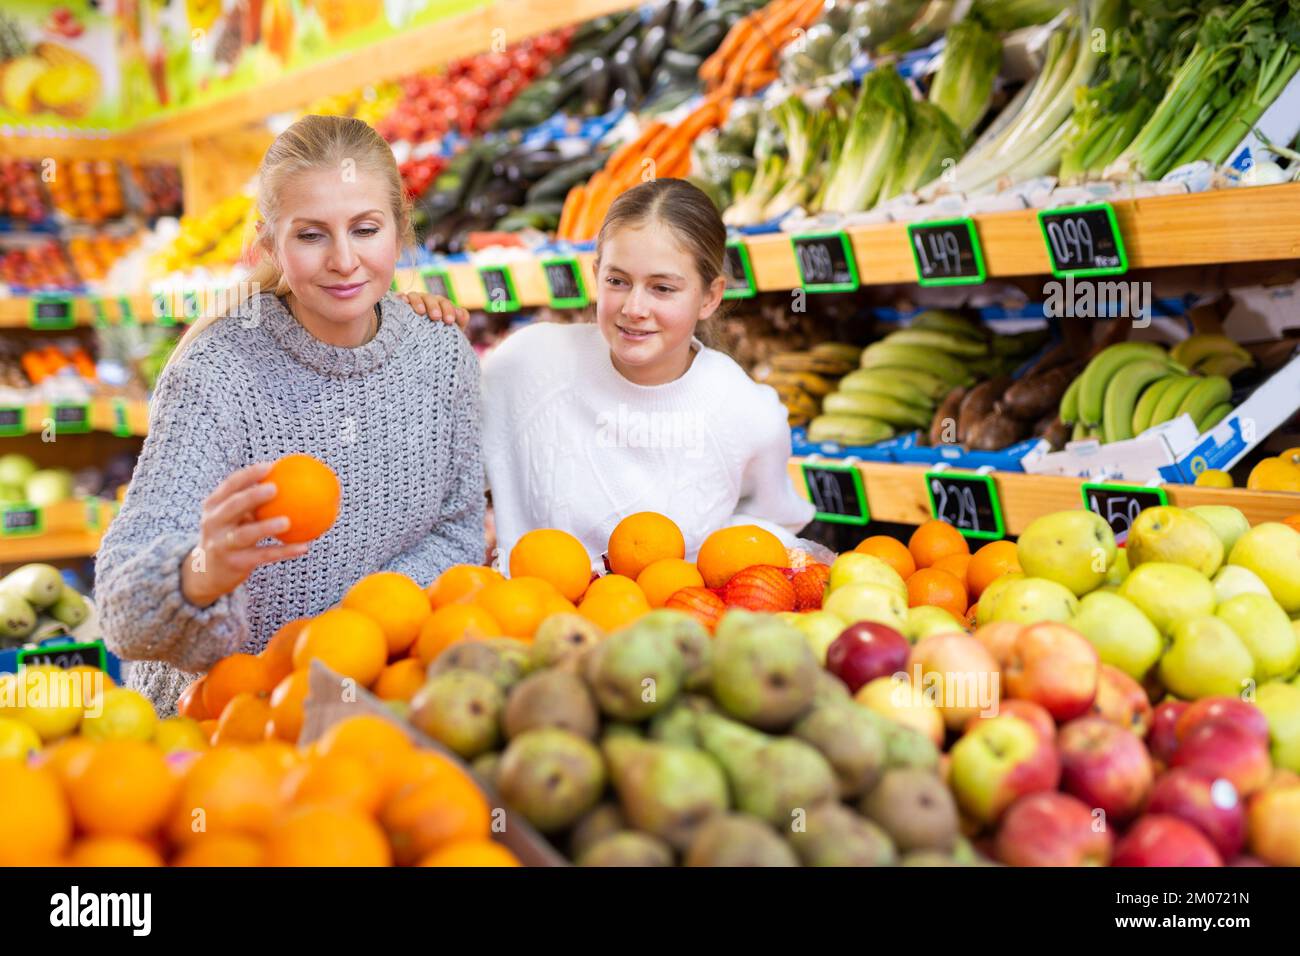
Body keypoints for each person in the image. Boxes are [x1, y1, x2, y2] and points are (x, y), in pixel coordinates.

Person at [96, 115, 481, 716]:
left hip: (372, 710)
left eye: (365, 228)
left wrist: (353, 628)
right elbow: (121, 610)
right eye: (311, 235)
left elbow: (458, 533)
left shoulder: (442, 355)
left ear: (400, 227)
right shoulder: (218, 372)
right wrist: (203, 571)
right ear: (270, 242)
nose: (345, 260)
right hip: (226, 723)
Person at [462, 177, 814, 569]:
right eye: (617, 281)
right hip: (528, 621)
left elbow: (767, 535)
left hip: (677, 626)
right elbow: (434, 489)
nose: (634, 307)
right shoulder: (526, 366)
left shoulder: (748, 415)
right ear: (596, 274)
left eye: (662, 288)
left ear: (710, 296)